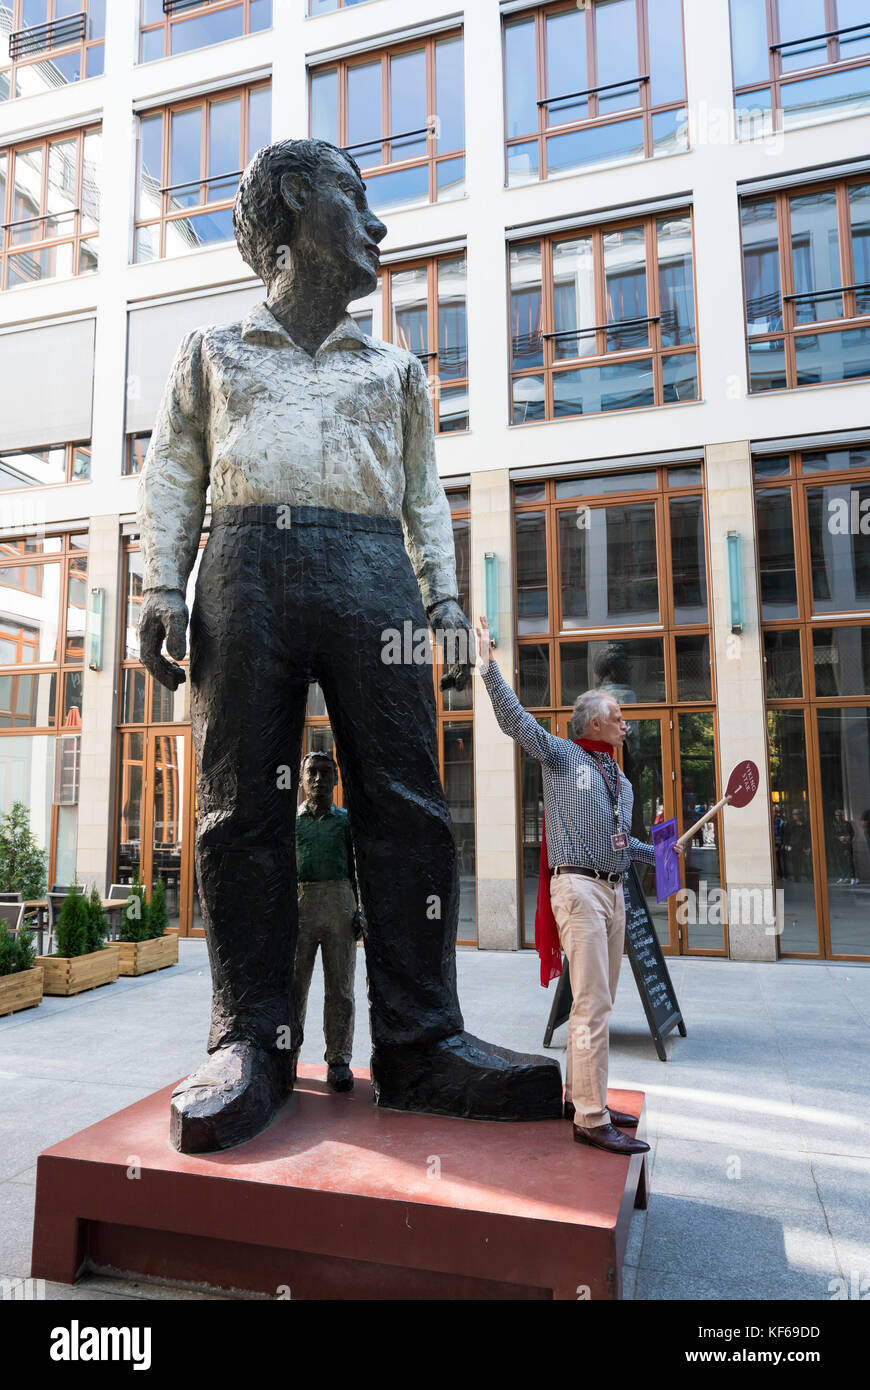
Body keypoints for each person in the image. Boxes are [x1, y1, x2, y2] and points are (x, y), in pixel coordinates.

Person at [136, 138, 561, 1152]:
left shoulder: (396, 368)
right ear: (290, 207)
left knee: (408, 803)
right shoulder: (214, 352)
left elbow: (424, 493)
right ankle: (249, 1040)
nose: (378, 224)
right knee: (242, 811)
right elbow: (174, 469)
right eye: (355, 198)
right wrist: (161, 583)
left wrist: (447, 604)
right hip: (244, 569)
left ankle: (421, 1041)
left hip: (376, 577)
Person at [476, 615, 653, 1157]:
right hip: (577, 890)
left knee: (599, 1002)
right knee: (592, 1004)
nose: (625, 724)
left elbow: (624, 843)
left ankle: (584, 1098)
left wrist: (662, 854)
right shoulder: (562, 756)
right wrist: (487, 665)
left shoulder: (619, 780)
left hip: (615, 890)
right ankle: (592, 1117)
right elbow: (515, 721)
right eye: (617, 718)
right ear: (592, 724)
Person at [293, 751, 361, 1093]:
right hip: (301, 906)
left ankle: (339, 1060)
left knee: (340, 988)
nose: (319, 780)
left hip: (339, 904)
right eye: (312, 773)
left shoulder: (345, 822)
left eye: (325, 773)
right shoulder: (293, 823)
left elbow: (357, 868)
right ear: (302, 780)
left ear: (335, 780)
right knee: (294, 987)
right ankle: (286, 1056)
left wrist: (359, 909)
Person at [782, 807, 812, 882]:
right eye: (794, 814)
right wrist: (786, 844)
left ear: (801, 814)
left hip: (803, 846)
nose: (795, 816)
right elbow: (786, 835)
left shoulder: (806, 823)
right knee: (795, 863)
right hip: (793, 845)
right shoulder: (790, 824)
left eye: (797, 814)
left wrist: (808, 846)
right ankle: (797, 878)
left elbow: (808, 835)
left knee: (805, 863)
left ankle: (809, 878)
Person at [829, 808, 857, 884]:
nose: (838, 817)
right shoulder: (833, 824)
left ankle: (852, 877)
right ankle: (843, 876)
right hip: (837, 845)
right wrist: (839, 838)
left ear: (842, 815)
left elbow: (852, 833)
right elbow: (832, 834)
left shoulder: (847, 823)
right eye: (837, 815)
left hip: (846, 844)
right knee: (839, 861)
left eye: (840, 815)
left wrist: (848, 837)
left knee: (849, 861)